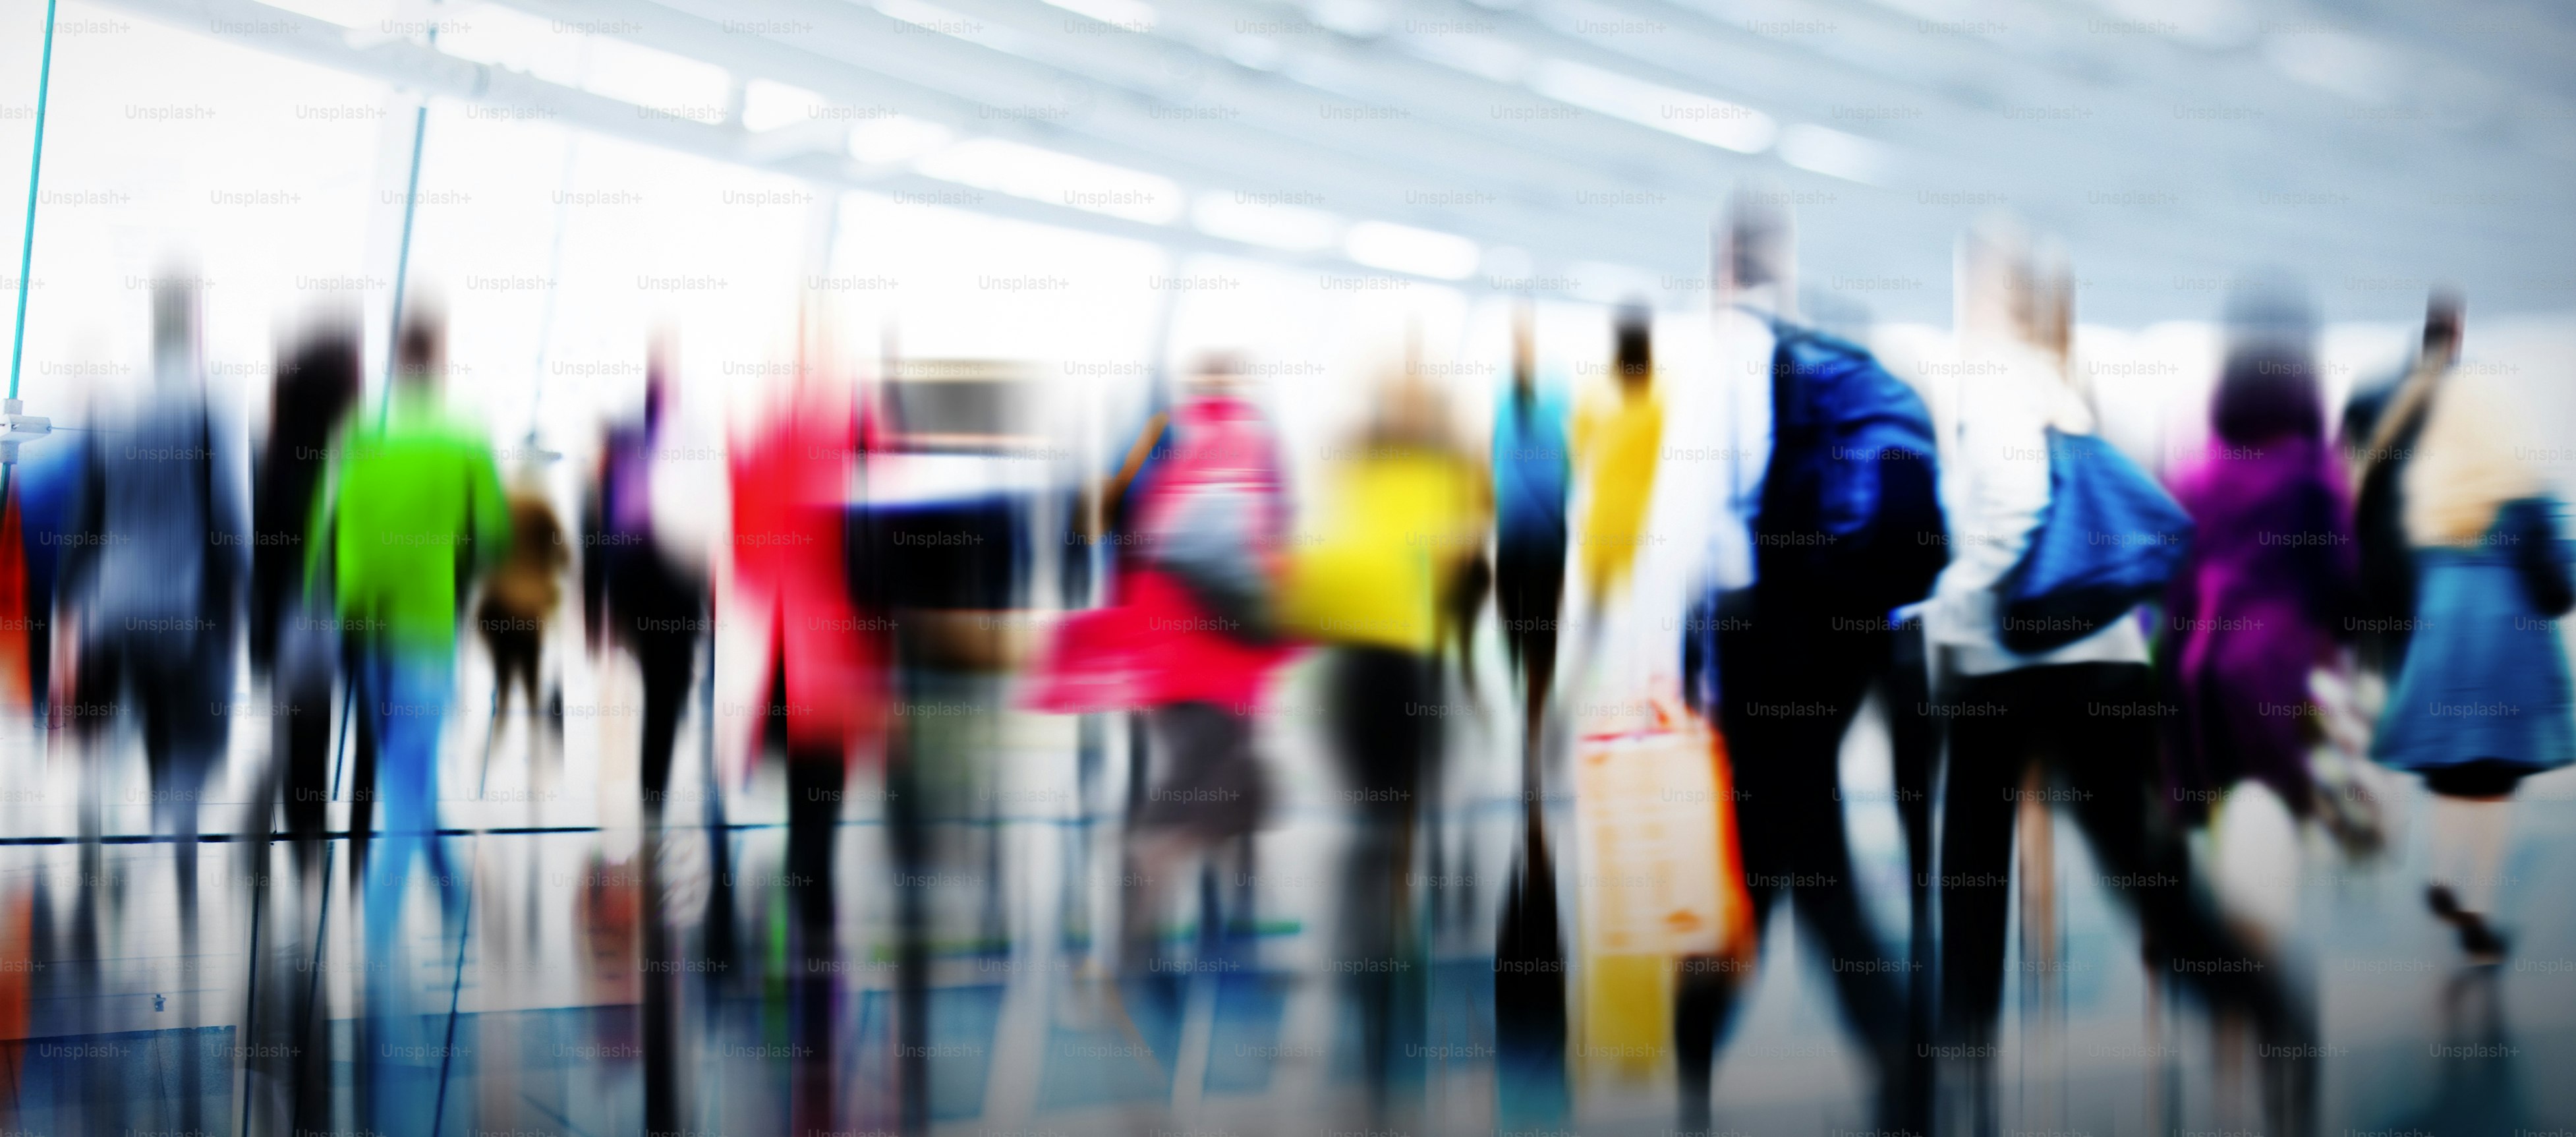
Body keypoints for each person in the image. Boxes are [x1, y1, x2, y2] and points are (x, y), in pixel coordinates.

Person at [1927, 250, 2311, 1136]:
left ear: (1993, 301)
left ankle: (1963, 1070)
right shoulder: (2079, 386)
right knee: (2146, 872)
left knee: (1973, 874)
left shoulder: (1990, 380)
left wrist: (1949, 608)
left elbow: (2018, 510)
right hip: (2106, 660)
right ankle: (2268, 1011)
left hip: (2007, 668)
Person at [1671, 194, 1935, 1137]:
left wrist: (1688, 662)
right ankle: (1898, 1065)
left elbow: (1704, 510)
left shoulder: (1722, 350)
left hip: (1762, 635)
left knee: (1769, 853)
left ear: (1719, 258)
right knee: (1796, 844)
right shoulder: (1825, 348)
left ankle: (1698, 1059)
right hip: (1843, 635)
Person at [304, 299, 509, 1133]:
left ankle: (450, 884)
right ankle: (380, 938)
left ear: (397, 354)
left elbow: (323, 529)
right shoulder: (462, 433)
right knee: (406, 773)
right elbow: (492, 535)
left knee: (404, 763)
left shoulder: (361, 431)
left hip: (361, 618)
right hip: (425, 619)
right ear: (443, 352)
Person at [57, 272, 247, 1137]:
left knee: (133, 744)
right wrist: (236, 622)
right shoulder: (212, 404)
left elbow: (84, 527)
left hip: (110, 608)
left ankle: (106, 856)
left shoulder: (119, 408)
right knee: (190, 761)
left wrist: (74, 620)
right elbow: (233, 526)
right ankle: (165, 898)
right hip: (185, 607)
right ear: (197, 328)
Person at [1277, 360, 1487, 1130]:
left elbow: (1316, 579)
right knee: (1383, 836)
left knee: (1380, 836)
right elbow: (1460, 575)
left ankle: (1372, 990)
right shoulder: (1422, 476)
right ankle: (1377, 992)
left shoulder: (1369, 472)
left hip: (1382, 667)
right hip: (1390, 667)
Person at [2369, 359, 2573, 962]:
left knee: (2450, 773)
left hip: (2440, 650)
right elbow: (2558, 588)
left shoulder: (2430, 505)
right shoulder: (2526, 496)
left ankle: (2440, 877)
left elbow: (2403, 582)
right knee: (2491, 785)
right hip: (2504, 653)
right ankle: (2477, 913)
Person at [2165, 307, 2361, 821]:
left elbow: (2175, 580)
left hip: (2200, 665)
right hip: (2279, 664)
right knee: (2276, 811)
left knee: (2218, 811)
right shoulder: (2309, 472)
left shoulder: (2198, 473)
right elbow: (2340, 573)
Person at [2343, 291, 2462, 682]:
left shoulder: (2370, 394)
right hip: (2433, 561)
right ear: (2457, 335)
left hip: (2374, 560)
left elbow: (2338, 473)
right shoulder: (2467, 401)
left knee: (2384, 675)